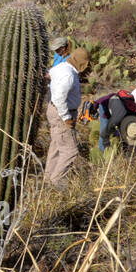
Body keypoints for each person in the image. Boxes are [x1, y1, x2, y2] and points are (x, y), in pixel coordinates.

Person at [45, 38, 85, 184]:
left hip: (53, 111)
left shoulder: (61, 68)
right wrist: (66, 117)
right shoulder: (68, 75)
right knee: (70, 151)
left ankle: (48, 179)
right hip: (62, 112)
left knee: (56, 146)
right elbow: (59, 98)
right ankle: (55, 182)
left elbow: (50, 74)